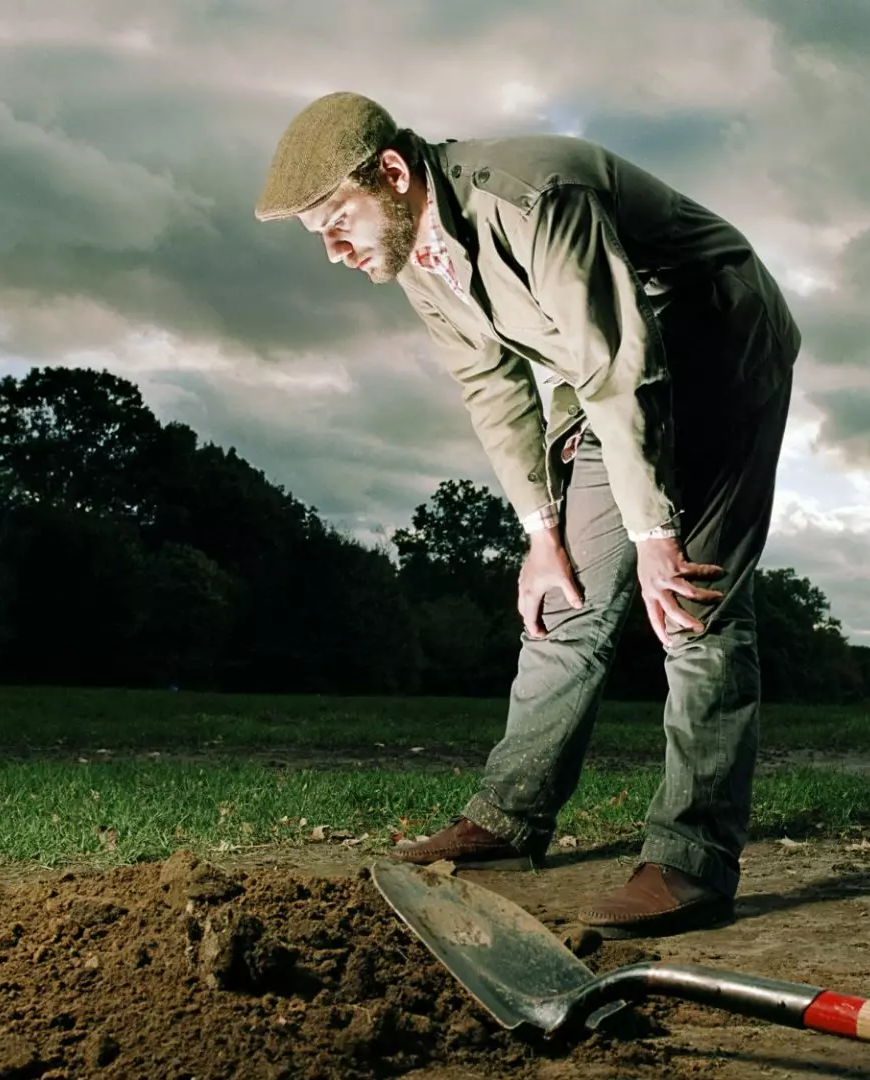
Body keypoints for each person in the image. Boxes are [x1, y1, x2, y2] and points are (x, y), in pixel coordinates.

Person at [254, 92, 799, 939]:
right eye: (315, 234)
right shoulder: (417, 252)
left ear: (393, 174)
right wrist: (541, 536)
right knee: (566, 594)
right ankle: (510, 818)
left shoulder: (535, 199)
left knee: (692, 598)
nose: (334, 251)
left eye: (338, 220)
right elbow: (492, 388)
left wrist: (656, 538)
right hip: (614, 375)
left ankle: (692, 861)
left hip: (717, 340)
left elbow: (621, 366)